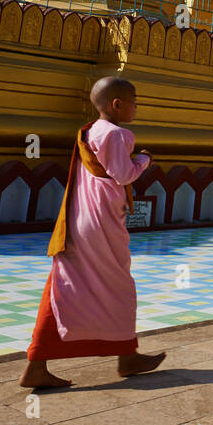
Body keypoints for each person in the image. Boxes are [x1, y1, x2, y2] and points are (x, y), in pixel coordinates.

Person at [20, 76, 165, 388]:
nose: (137, 107)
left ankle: (122, 355)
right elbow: (123, 174)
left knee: (64, 286)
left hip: (81, 219)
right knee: (120, 287)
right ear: (117, 104)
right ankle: (125, 356)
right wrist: (144, 158)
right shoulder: (118, 134)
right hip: (101, 224)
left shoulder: (90, 130)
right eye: (134, 101)